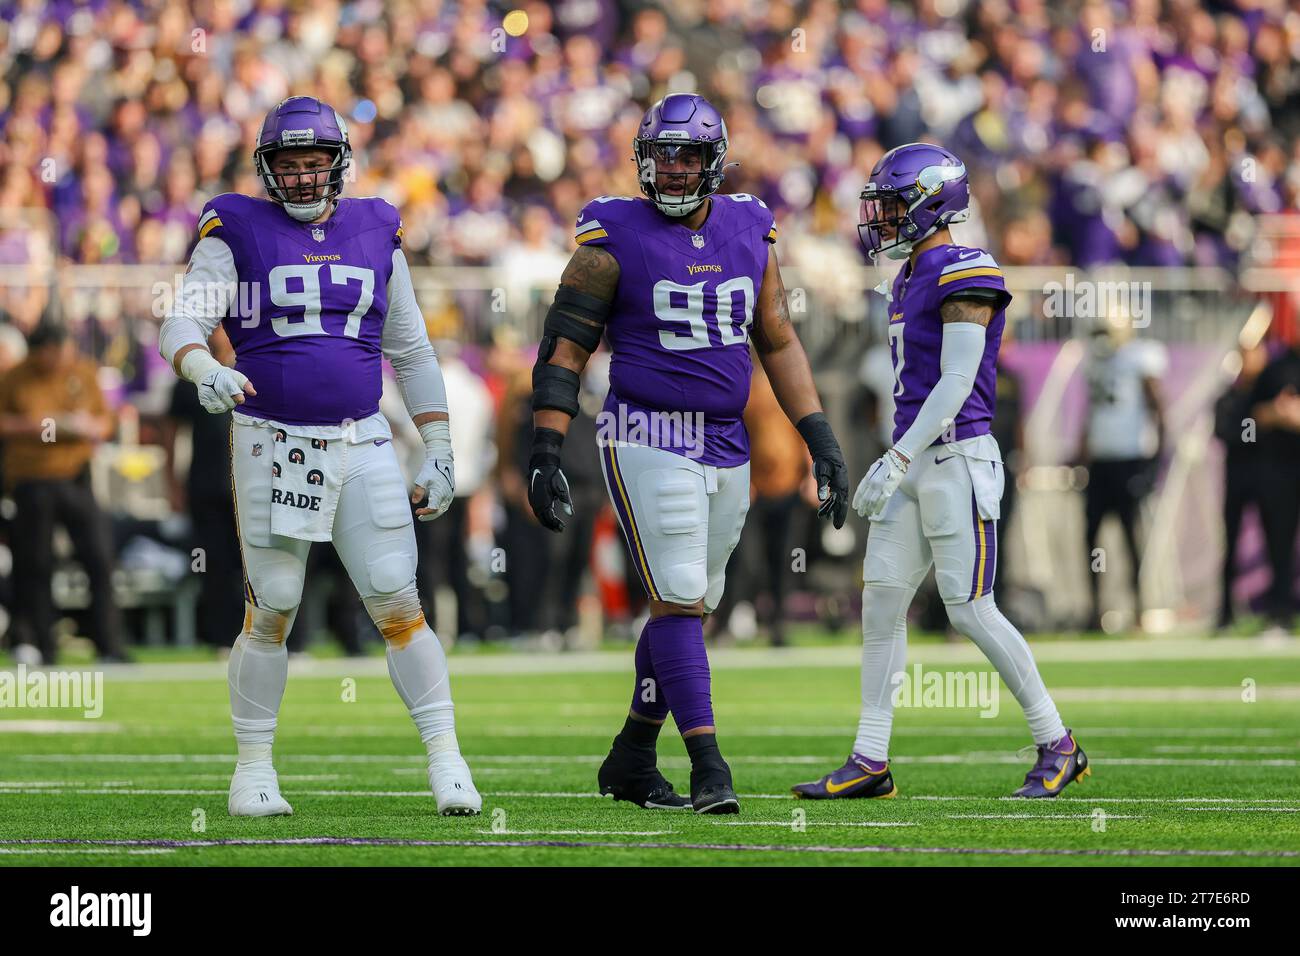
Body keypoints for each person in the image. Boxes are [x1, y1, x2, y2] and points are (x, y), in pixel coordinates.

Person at [525, 94, 849, 814]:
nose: (672, 170)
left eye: (688, 156)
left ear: (713, 162)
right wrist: (547, 444)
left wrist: (819, 438)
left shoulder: (750, 226)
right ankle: (710, 765)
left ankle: (633, 755)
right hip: (646, 432)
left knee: (692, 606)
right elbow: (565, 345)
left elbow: (778, 338)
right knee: (676, 596)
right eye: (662, 155)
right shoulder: (612, 234)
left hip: (728, 442)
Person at [157, 96, 480, 816]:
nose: (302, 179)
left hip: (361, 436)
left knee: (399, 599)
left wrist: (439, 447)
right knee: (272, 605)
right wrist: (202, 367)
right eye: (289, 166)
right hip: (269, 439)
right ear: (267, 170)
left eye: (314, 164)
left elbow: (412, 350)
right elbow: (182, 319)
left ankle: (447, 758)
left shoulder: (375, 227)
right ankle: (253, 771)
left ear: (338, 165)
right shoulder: (234, 227)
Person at [793, 143, 1088, 801]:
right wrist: (900, 457)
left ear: (934, 201)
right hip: (915, 458)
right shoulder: (906, 277)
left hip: (957, 456)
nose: (884, 220)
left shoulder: (965, 265)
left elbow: (957, 380)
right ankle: (870, 758)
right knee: (882, 603)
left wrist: (896, 455)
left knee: (971, 608)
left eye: (895, 206)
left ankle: (1059, 743)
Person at [0, 321, 127, 664]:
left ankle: (109, 646)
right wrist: (47, 424)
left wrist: (82, 425)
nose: (57, 360)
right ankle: (44, 646)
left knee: (99, 558)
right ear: (38, 352)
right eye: (50, 353)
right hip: (32, 482)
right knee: (36, 564)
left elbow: (106, 422)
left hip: (75, 477)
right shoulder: (15, 377)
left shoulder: (82, 372)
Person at [1080, 315, 1166, 631]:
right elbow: (1091, 411)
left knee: (1132, 537)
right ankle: (1095, 610)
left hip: (1129, 459)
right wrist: (1082, 449)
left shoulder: (1139, 359)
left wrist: (1156, 457)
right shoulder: (1094, 362)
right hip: (1101, 462)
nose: (1101, 339)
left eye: (1106, 331)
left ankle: (1140, 608)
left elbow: (1159, 406)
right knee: (1090, 537)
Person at [1213, 342, 1269, 629]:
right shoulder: (1231, 398)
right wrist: (1259, 424)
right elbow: (1224, 432)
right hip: (1237, 479)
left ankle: (1276, 608)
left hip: (1268, 480)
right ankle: (1225, 611)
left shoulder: (1269, 398)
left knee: (1275, 544)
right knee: (1230, 543)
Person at [1248, 337, 1300, 629]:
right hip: (1281, 468)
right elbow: (1254, 416)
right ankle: (1280, 611)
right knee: (1279, 541)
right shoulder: (1276, 369)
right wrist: (1278, 414)